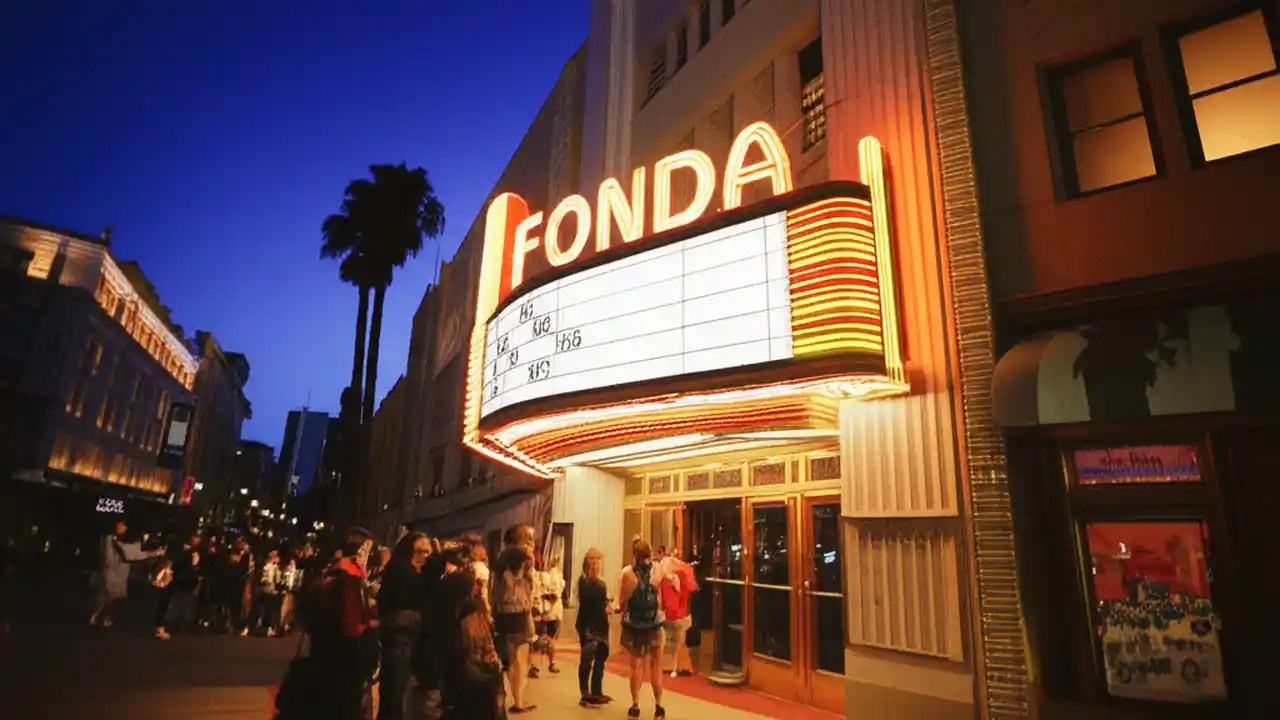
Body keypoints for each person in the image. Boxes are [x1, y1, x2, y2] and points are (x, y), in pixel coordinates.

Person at [310, 527, 379, 720]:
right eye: (367, 548)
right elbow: (352, 619)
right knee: (347, 696)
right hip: (347, 643)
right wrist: (371, 623)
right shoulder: (349, 573)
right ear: (357, 548)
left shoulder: (339, 568)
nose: (368, 553)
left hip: (335, 641)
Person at [377, 532, 429, 720]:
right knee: (395, 691)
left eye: (428, 553)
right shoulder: (402, 571)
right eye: (421, 551)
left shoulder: (410, 571)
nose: (425, 556)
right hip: (399, 638)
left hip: (406, 637)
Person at [490, 524, 536, 714]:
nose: (532, 541)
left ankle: (515, 699)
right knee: (517, 659)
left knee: (512, 659)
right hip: (516, 613)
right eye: (529, 537)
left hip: (506, 612)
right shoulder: (518, 557)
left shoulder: (503, 558)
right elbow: (519, 586)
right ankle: (517, 700)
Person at [618, 539, 666, 720]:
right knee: (657, 666)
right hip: (655, 624)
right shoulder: (656, 571)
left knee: (636, 666)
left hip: (636, 627)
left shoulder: (628, 573)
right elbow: (659, 600)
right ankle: (659, 707)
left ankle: (635, 705)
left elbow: (622, 602)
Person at [89, 520, 164, 629]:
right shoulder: (111, 539)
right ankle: (97, 617)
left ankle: (102, 617)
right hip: (112, 571)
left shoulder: (114, 539)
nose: (122, 528)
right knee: (108, 596)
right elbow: (129, 554)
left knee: (109, 596)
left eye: (123, 526)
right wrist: (154, 553)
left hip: (116, 571)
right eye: (120, 526)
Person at [575, 549, 612, 708]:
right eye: (593, 559)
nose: (596, 562)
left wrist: (609, 607)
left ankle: (597, 690)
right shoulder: (584, 581)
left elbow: (602, 603)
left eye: (598, 559)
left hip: (601, 624)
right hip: (587, 625)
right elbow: (585, 600)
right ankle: (585, 693)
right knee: (587, 659)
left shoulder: (601, 583)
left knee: (601, 658)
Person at [659, 551, 698, 677]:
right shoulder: (682, 576)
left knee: (667, 637)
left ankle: (666, 664)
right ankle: (677, 666)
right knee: (681, 636)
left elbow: (662, 601)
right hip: (680, 616)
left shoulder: (663, 580)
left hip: (667, 616)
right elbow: (692, 589)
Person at [532, 555, 565, 677]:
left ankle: (552, 663)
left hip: (553, 613)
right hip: (538, 611)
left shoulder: (556, 575)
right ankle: (534, 667)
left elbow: (555, 593)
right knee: (535, 640)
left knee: (550, 639)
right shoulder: (533, 574)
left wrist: (543, 594)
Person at [167, 532, 203, 634]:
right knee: (180, 599)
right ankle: (177, 620)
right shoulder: (187, 551)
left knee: (185, 600)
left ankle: (181, 621)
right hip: (183, 578)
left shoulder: (195, 551)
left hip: (187, 579)